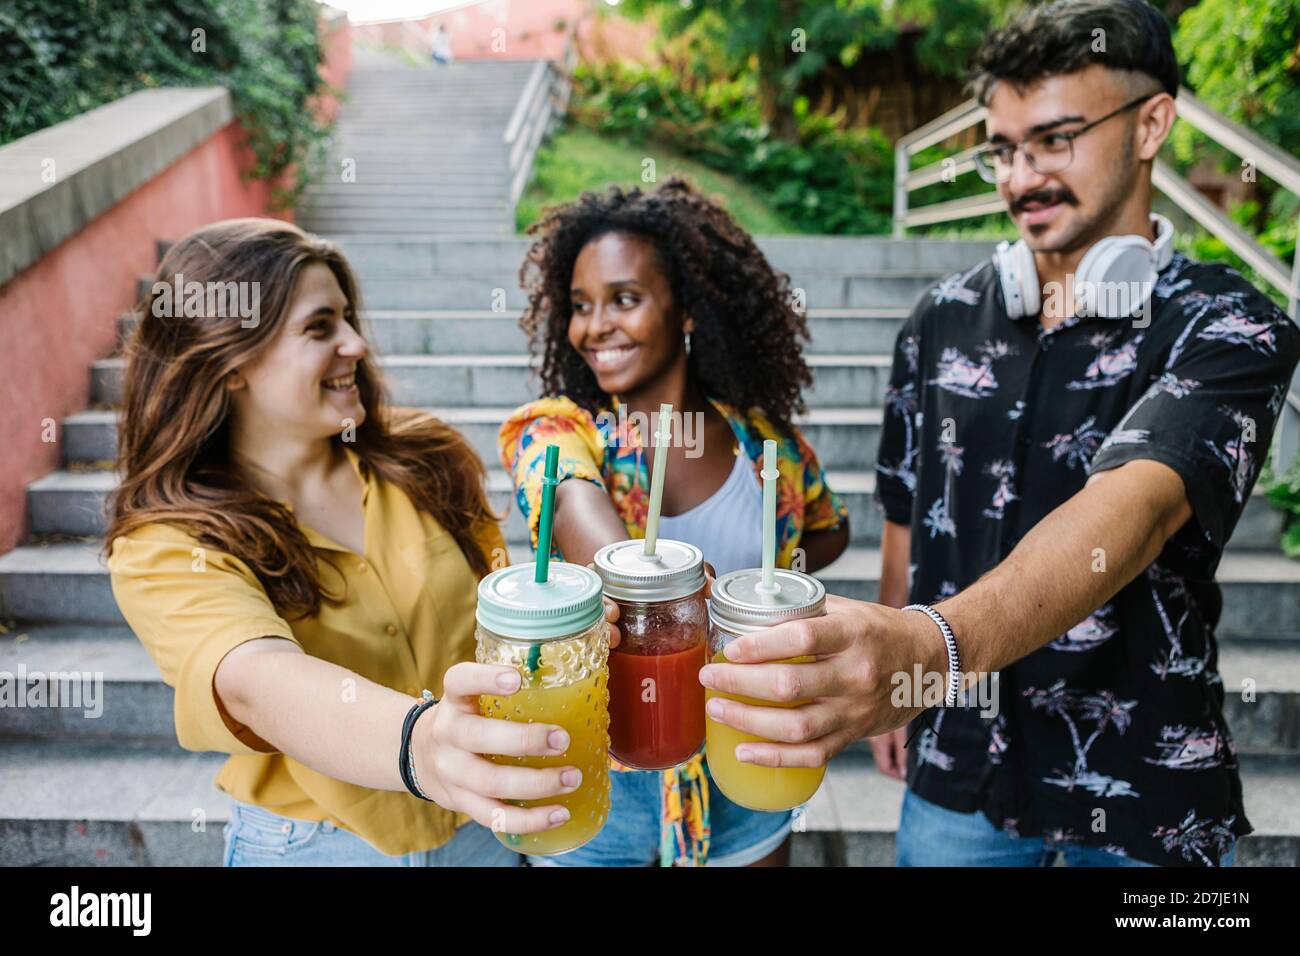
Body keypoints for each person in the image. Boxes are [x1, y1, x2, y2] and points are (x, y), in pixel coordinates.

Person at [697, 0, 1300, 867]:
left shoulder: (1231, 325)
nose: (1022, 178)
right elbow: (907, 513)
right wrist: (904, 683)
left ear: (1151, 124)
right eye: (1003, 150)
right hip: (958, 772)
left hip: (1147, 792)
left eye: (1056, 139)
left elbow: (1130, 509)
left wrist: (926, 652)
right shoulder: (938, 320)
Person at [107, 218, 617, 866]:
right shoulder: (167, 543)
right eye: (319, 328)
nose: (354, 342)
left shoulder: (427, 456)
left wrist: (565, 634)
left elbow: (497, 627)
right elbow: (255, 681)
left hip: (481, 835)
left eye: (347, 318)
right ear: (231, 364)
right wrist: (423, 746)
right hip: (312, 849)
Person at [499, 178, 850, 866]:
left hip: (745, 753)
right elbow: (570, 501)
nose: (594, 326)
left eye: (624, 299)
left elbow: (826, 528)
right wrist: (672, 597)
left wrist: (759, 594)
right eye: (579, 306)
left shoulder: (763, 445)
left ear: (685, 309)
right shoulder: (561, 430)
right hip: (605, 765)